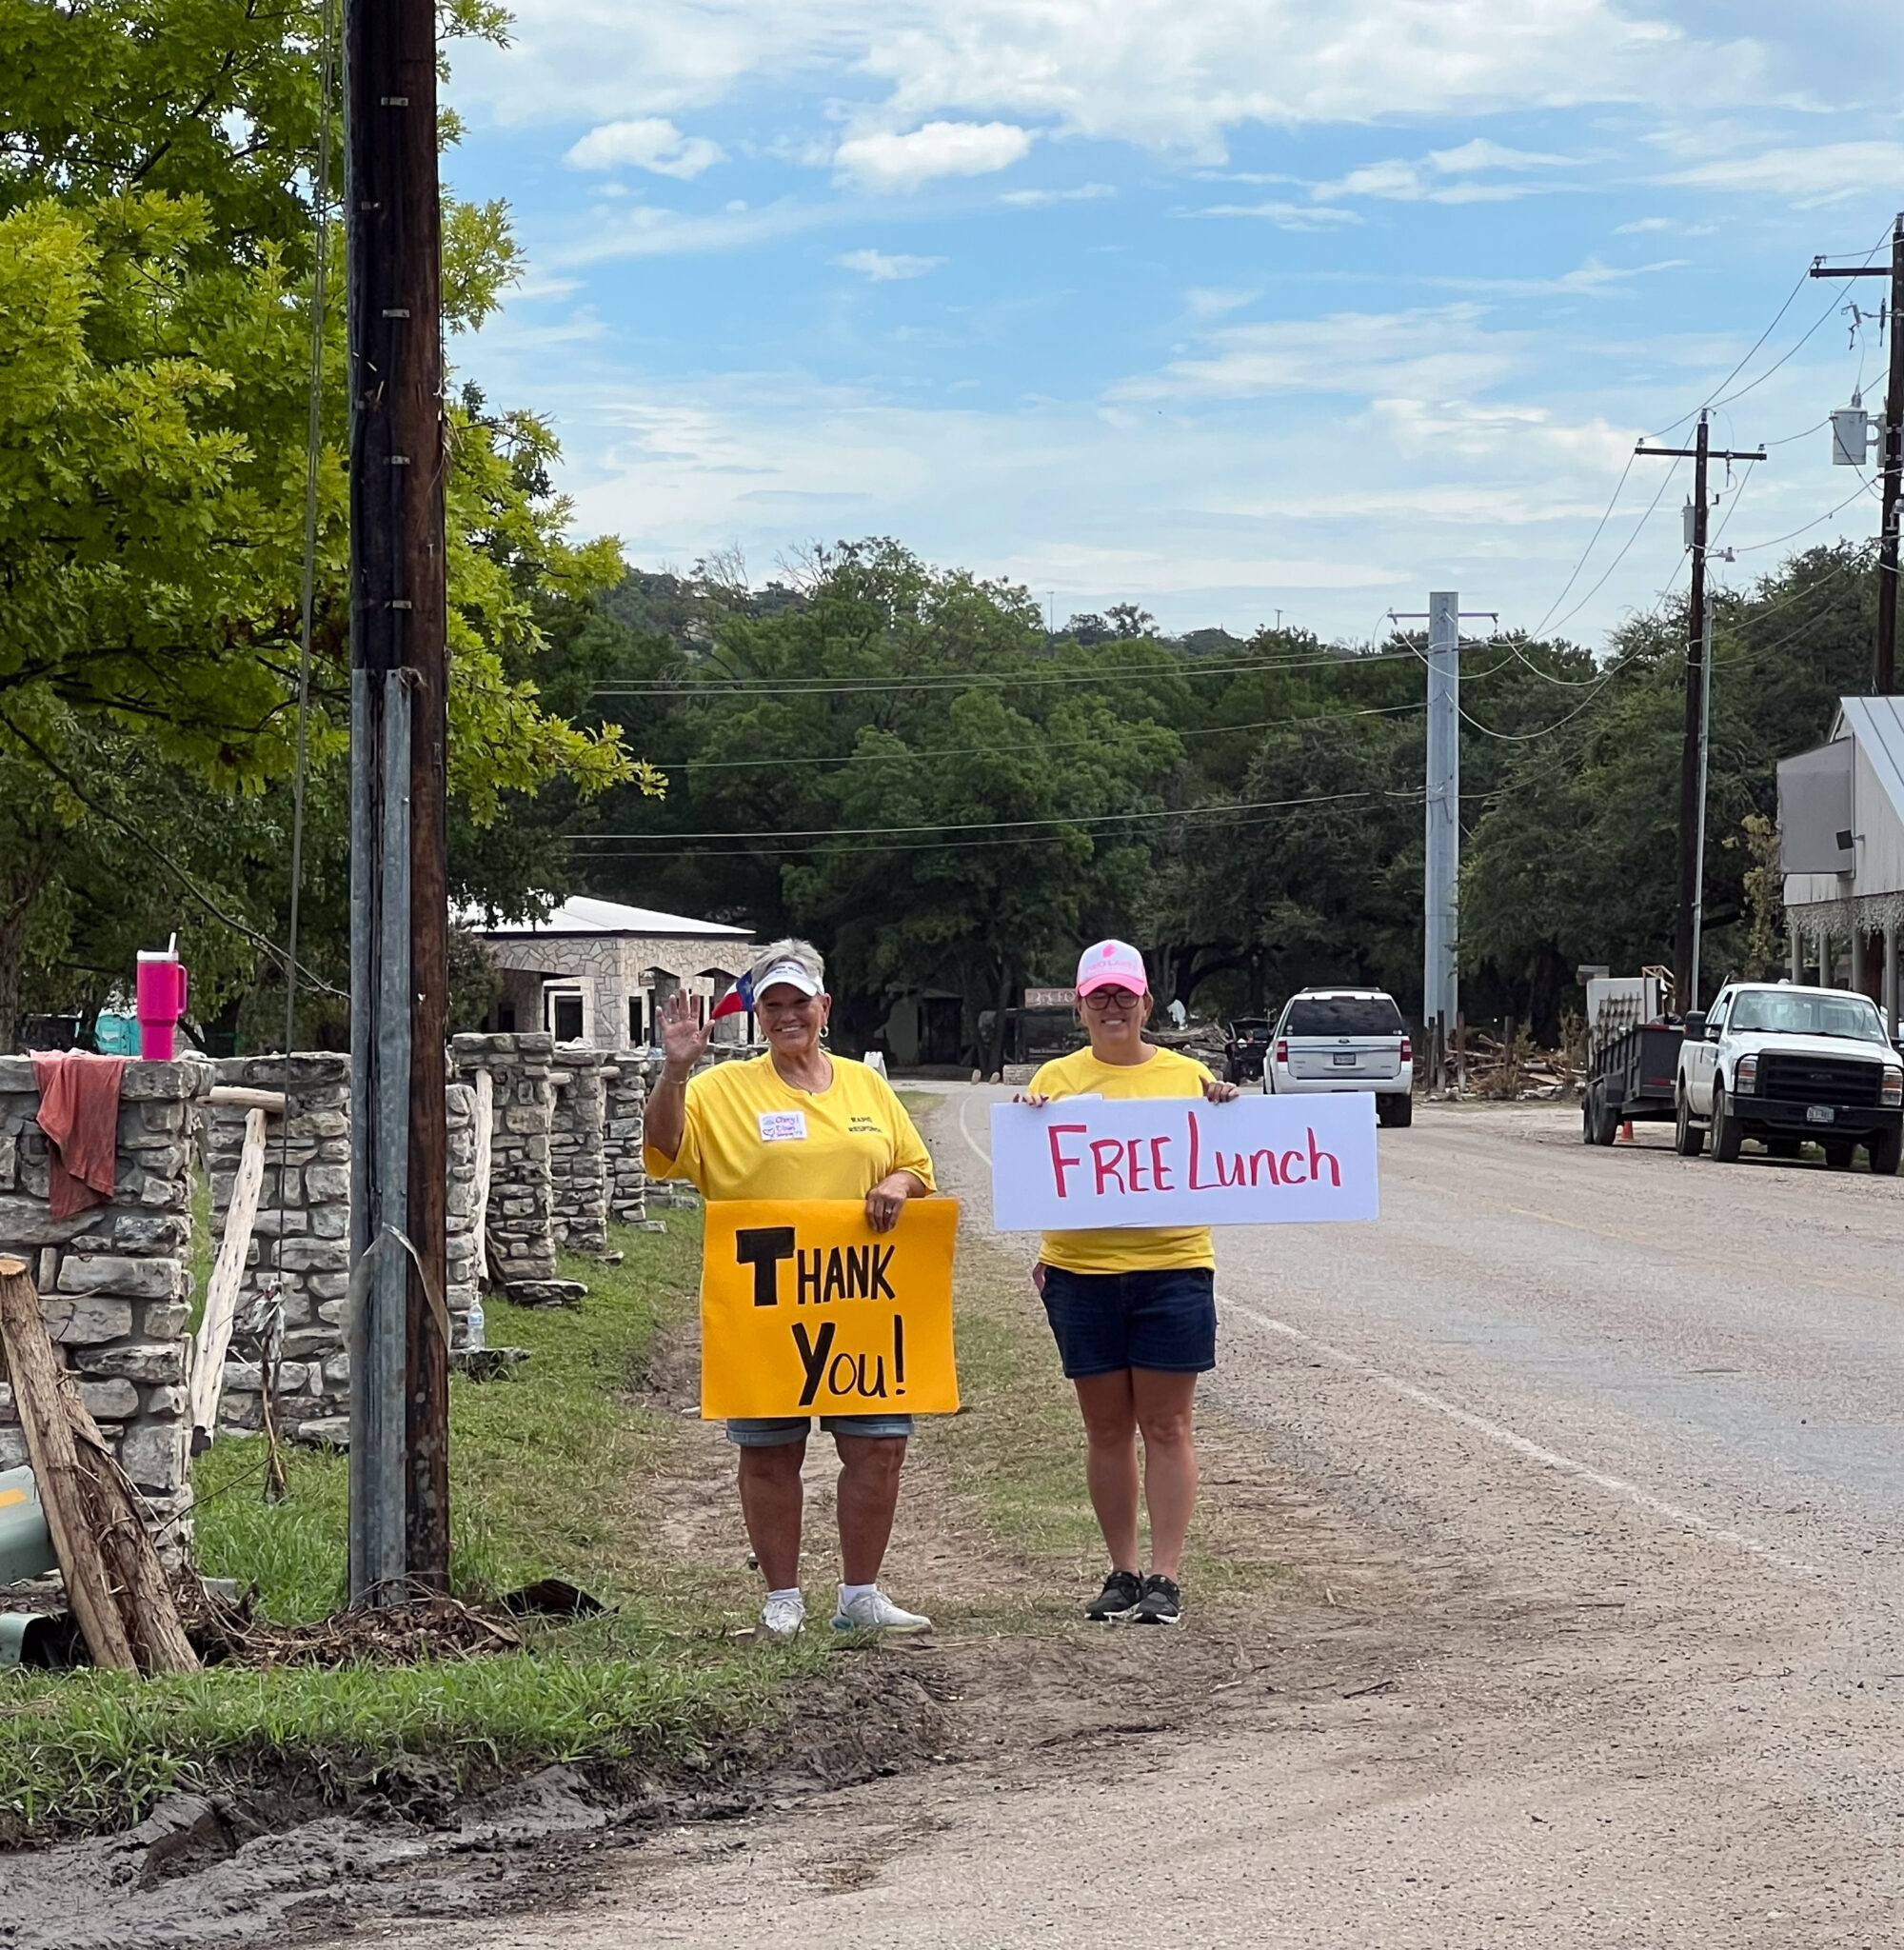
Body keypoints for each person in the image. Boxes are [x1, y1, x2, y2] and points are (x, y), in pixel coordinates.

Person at [645, 937, 938, 1639]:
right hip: (767, 1298)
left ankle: (860, 1596)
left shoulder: (866, 1086)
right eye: (772, 1005)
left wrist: (898, 1185)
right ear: (758, 1015)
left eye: (798, 1003)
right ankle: (783, 1598)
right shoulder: (722, 1089)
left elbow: (916, 1167)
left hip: (861, 1298)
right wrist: (675, 1072)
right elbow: (663, 1149)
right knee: (771, 1451)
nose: (786, 1016)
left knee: (878, 1448)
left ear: (823, 1007)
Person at [1019, 939, 1240, 1625]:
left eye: (1123, 994)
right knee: (1106, 1428)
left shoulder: (1187, 1076)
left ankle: (1165, 1577)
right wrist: (1028, 1115)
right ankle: (1123, 1570)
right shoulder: (1055, 1079)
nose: (1112, 1006)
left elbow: (1227, 1150)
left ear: (1146, 1003)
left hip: (1172, 1268)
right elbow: (1034, 1167)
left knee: (1168, 1424)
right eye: (1099, 996)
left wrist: (1226, 1105)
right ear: (1080, 1006)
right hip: (1081, 1274)